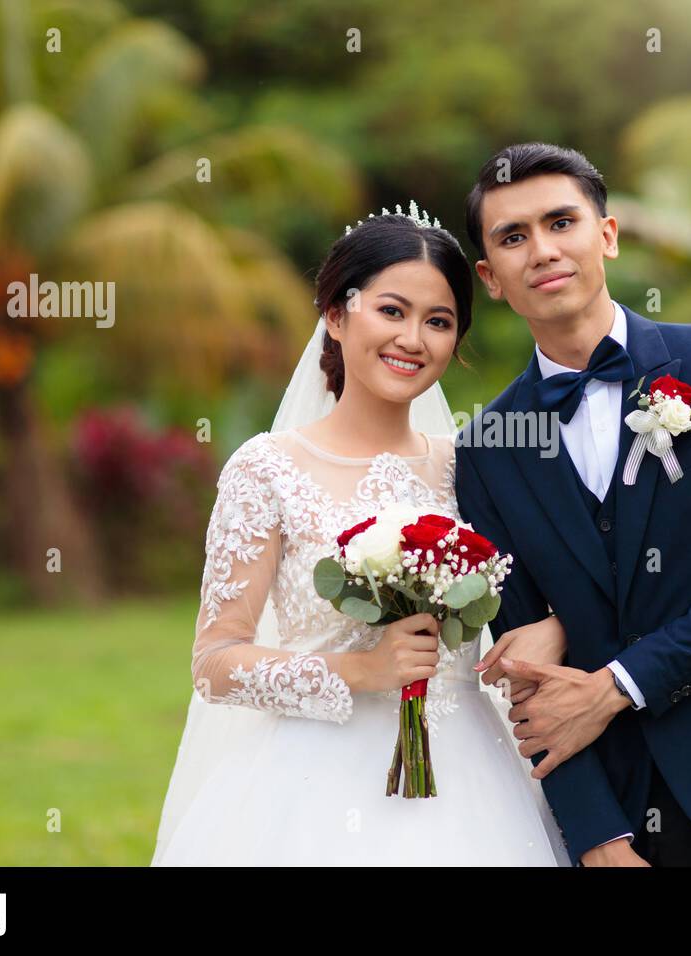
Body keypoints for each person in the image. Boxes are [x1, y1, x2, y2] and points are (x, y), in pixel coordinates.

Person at [455, 143, 691, 867]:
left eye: (560, 221)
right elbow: (526, 672)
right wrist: (595, 835)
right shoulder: (485, 450)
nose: (541, 250)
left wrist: (616, 687)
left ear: (606, 234)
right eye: (513, 238)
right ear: (492, 279)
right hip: (616, 812)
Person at [152, 203, 569, 865]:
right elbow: (216, 662)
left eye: (439, 322)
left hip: (471, 778)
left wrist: (554, 627)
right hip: (308, 782)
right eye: (392, 311)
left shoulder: (473, 467)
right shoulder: (268, 468)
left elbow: (545, 593)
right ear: (337, 315)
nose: (413, 339)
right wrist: (362, 671)